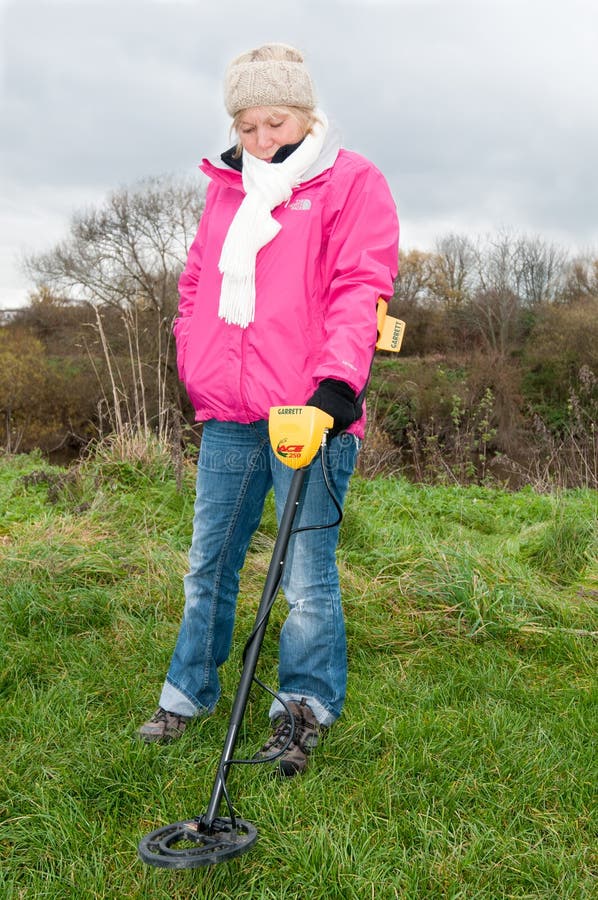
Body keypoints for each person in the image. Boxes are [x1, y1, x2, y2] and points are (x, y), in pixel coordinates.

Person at [138, 43, 399, 776]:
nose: (261, 141)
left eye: (275, 122)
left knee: (306, 573)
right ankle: (186, 693)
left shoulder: (352, 182)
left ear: (307, 114)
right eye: (247, 126)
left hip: (307, 415)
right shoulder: (227, 187)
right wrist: (192, 350)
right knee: (209, 561)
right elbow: (196, 283)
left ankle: (303, 707)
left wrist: (333, 393)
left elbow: (360, 289)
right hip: (229, 411)